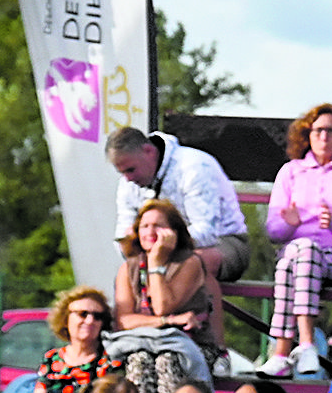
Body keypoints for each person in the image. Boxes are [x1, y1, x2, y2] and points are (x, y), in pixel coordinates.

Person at [261, 102, 332, 378]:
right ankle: (297, 349)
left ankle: (289, 349)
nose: (324, 137)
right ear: (307, 134)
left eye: (331, 131)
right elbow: (273, 231)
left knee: (298, 256)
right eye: (318, 130)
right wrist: (289, 224)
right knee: (293, 258)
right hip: (296, 256)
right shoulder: (291, 171)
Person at [106, 125, 252, 314]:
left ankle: (204, 337)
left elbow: (207, 232)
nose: (128, 178)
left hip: (225, 242)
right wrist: (133, 245)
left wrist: (162, 249)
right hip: (159, 252)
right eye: (122, 172)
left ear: (148, 151)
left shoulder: (194, 167)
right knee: (128, 272)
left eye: (131, 170)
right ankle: (139, 329)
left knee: (192, 265)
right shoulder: (128, 184)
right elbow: (122, 235)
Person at [111, 198, 217, 393]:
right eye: (145, 226)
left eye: (158, 226)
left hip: (192, 347)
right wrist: (167, 322)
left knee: (167, 361)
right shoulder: (127, 269)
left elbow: (161, 305)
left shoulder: (190, 263)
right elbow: (125, 320)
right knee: (139, 362)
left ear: (174, 232)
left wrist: (156, 263)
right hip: (144, 345)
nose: (150, 232)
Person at [27, 286, 119, 393]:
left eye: (97, 316)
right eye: (83, 314)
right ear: (65, 319)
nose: (90, 321)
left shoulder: (109, 360)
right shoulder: (51, 358)